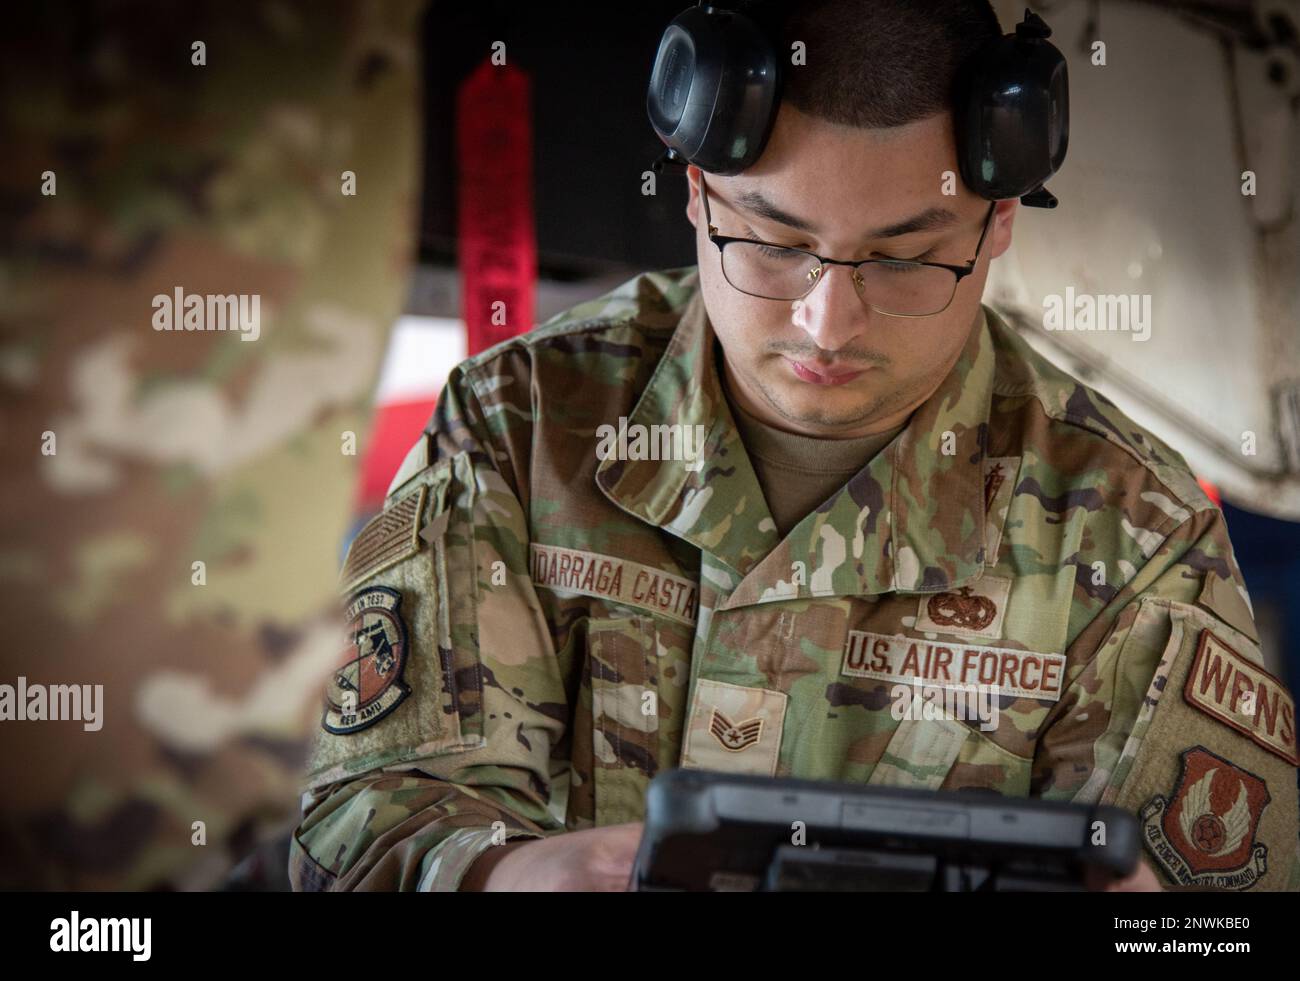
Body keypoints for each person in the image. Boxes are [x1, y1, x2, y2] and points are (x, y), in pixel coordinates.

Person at [289, 0, 1299, 892]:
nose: (828, 324)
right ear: (695, 193)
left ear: (995, 228)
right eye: (772, 243)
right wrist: (505, 876)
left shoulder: (1129, 525)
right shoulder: (522, 422)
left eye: (904, 259)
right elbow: (359, 818)